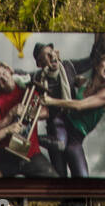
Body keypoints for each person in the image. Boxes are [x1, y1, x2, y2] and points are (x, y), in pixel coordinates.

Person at [43, 35, 105, 178]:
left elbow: (79, 105)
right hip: (62, 125)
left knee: (82, 177)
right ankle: (36, 139)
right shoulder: (84, 82)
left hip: (76, 138)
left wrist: (50, 101)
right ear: (97, 65)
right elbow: (67, 81)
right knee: (60, 174)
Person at [0, 61, 58, 179]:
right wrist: (11, 114)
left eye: (4, 73)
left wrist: (29, 113)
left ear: (8, 70)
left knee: (54, 182)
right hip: (8, 155)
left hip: (32, 153)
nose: (4, 79)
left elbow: (46, 112)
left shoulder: (28, 90)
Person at [32, 42, 92, 177]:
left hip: (72, 129)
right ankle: (34, 139)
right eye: (46, 56)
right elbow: (20, 76)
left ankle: (84, 197)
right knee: (60, 177)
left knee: (82, 175)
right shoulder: (38, 77)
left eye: (51, 53)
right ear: (39, 64)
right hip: (55, 130)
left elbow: (90, 61)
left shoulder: (68, 67)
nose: (52, 57)